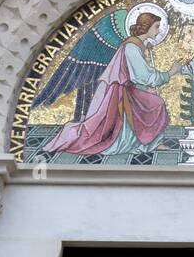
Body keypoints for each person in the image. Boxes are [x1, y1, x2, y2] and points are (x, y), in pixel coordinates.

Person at [44, 11, 183, 156]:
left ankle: (148, 143)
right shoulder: (132, 47)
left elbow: (135, 76)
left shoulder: (138, 45)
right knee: (157, 103)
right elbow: (144, 76)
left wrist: (147, 88)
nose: (158, 30)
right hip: (121, 94)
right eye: (156, 26)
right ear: (146, 27)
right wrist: (170, 73)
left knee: (155, 102)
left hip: (129, 90)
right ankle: (134, 143)